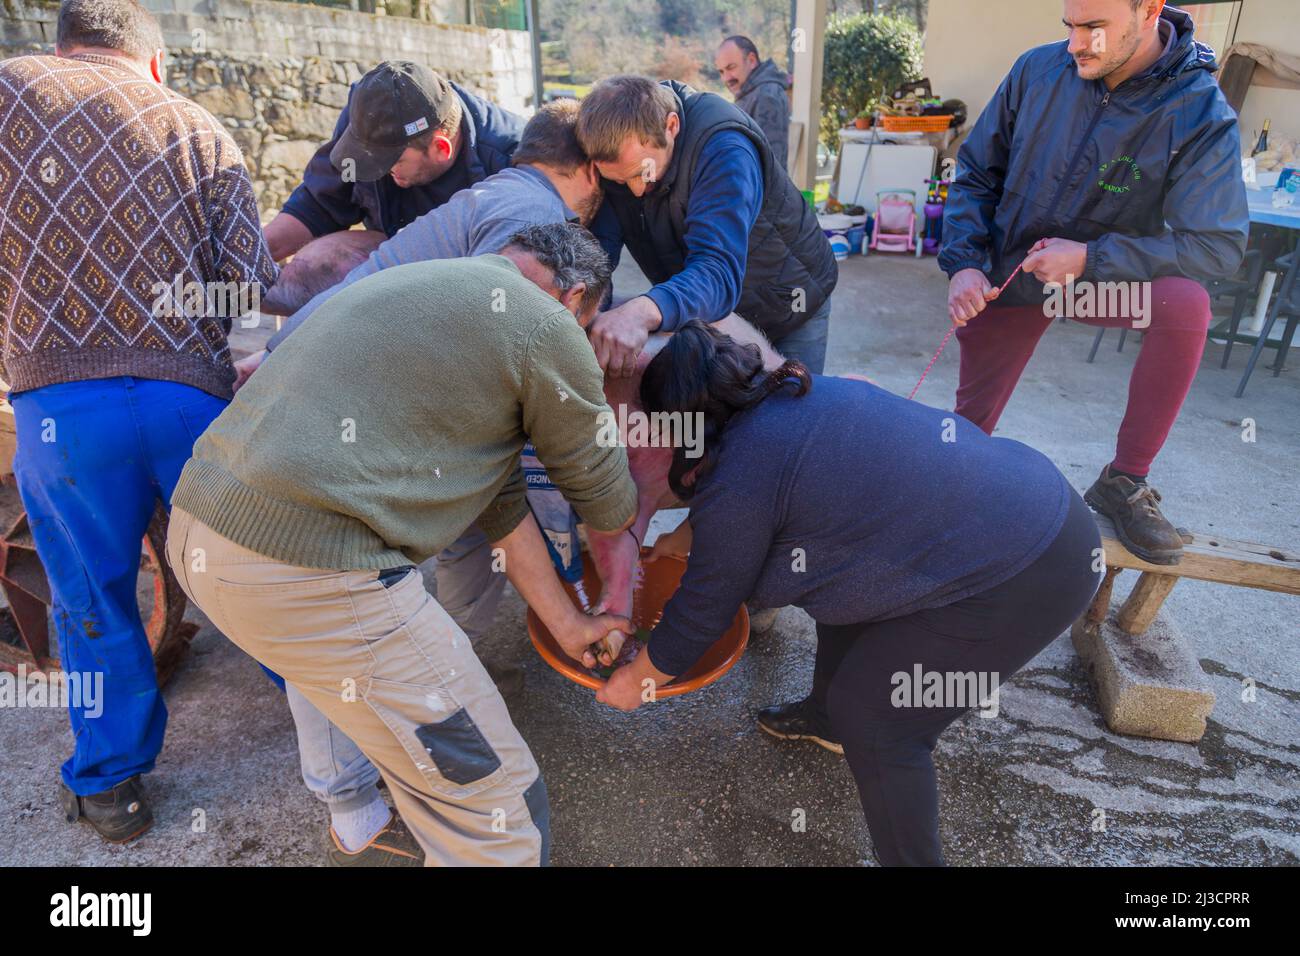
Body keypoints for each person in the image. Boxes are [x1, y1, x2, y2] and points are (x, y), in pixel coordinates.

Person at [166, 223, 639, 866]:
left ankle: (358, 807)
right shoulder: (542, 321)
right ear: (577, 295)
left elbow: (500, 509)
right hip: (310, 570)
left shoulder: (413, 284)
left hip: (203, 532)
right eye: (585, 326)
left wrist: (569, 623)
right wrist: (622, 564)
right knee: (495, 800)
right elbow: (602, 492)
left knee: (407, 745)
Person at [600, 322, 1103, 866]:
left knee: (879, 720)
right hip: (1032, 497)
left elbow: (704, 609)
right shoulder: (794, 395)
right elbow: (763, 505)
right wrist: (677, 542)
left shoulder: (743, 474)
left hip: (1031, 571)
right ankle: (826, 720)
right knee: (835, 576)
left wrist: (636, 681)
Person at [0, 0, 278, 842]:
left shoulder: (10, 91)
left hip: (59, 413)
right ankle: (362, 737)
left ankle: (111, 786)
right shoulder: (199, 124)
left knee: (92, 599)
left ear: (64, 44)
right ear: (151, 61)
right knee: (257, 582)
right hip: (189, 401)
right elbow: (248, 295)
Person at [939, 0, 1248, 565]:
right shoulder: (1037, 69)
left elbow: (1216, 246)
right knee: (965, 440)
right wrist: (963, 262)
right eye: (1070, 26)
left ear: (1150, 10)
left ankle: (1124, 480)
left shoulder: (1199, 110)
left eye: (1094, 29)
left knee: (1186, 304)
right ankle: (950, 493)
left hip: (1093, 281)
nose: (1076, 44)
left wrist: (1091, 258)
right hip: (1009, 274)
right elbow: (977, 170)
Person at [576, 75, 837, 376]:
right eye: (619, 180)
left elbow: (717, 271)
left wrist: (643, 310)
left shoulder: (725, 149)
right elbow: (598, 252)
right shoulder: (623, 153)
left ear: (671, 126)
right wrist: (583, 307)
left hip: (791, 303)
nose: (635, 191)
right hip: (714, 313)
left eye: (641, 173)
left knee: (791, 406)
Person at [261, 60, 525, 261]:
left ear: (440, 148)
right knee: (312, 263)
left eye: (390, 160)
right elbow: (318, 206)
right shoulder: (369, 117)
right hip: (390, 270)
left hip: (471, 282)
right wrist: (243, 262)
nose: (380, 169)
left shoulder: (511, 162)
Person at [715, 35, 791, 170]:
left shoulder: (766, 96)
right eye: (721, 71)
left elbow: (770, 164)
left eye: (731, 67)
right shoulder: (750, 93)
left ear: (751, 60)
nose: (726, 78)